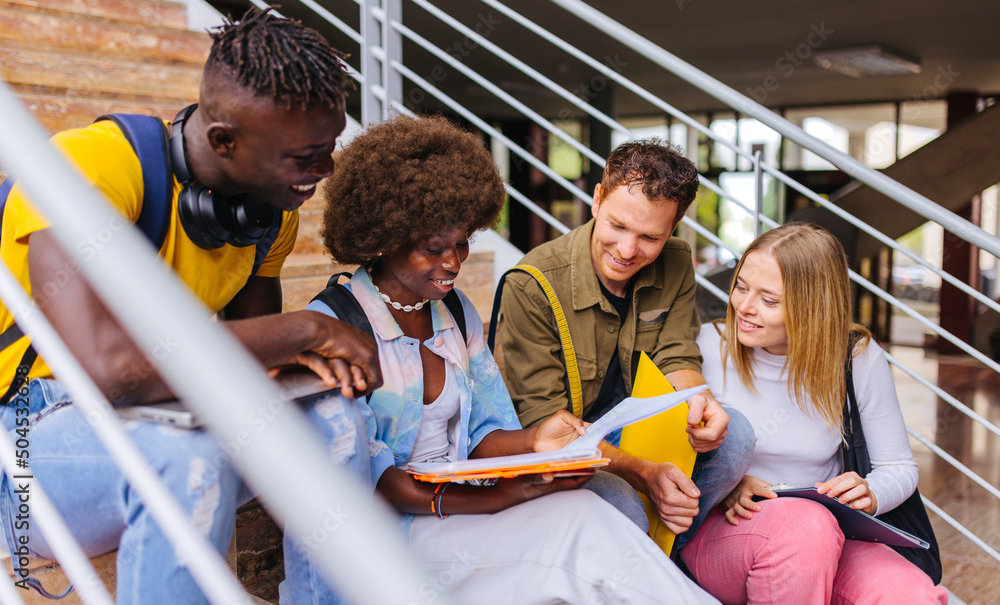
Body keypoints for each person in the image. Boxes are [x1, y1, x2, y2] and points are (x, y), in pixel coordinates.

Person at [0, 9, 380, 604]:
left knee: (340, 424)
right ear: (225, 140)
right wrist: (306, 328)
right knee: (188, 456)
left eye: (328, 149)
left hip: (168, 410)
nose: (323, 172)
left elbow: (259, 357)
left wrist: (307, 368)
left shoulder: (267, 213)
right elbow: (110, 373)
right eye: (305, 157)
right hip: (27, 444)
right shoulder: (91, 168)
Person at [310, 115, 719, 604]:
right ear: (384, 235)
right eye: (434, 248)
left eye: (462, 243)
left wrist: (536, 439)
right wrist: (497, 498)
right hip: (392, 535)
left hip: (463, 508)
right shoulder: (338, 321)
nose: (454, 263)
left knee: (588, 518)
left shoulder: (454, 311)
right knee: (576, 549)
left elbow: (483, 433)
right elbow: (363, 480)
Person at [496, 139, 754, 546]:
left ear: (672, 229)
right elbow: (543, 422)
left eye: (650, 237)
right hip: (564, 449)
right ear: (597, 200)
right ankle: (651, 562)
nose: (628, 251)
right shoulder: (531, 283)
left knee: (735, 434)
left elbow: (676, 352)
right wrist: (644, 474)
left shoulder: (676, 259)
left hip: (636, 431)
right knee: (626, 508)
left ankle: (663, 556)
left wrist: (698, 399)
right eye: (617, 226)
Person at [681, 222, 947, 604]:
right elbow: (665, 453)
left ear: (812, 307)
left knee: (910, 595)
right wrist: (727, 482)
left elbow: (900, 469)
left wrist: (870, 493)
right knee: (806, 528)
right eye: (741, 286)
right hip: (724, 529)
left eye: (769, 300)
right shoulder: (706, 346)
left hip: (831, 530)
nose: (744, 307)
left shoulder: (856, 358)